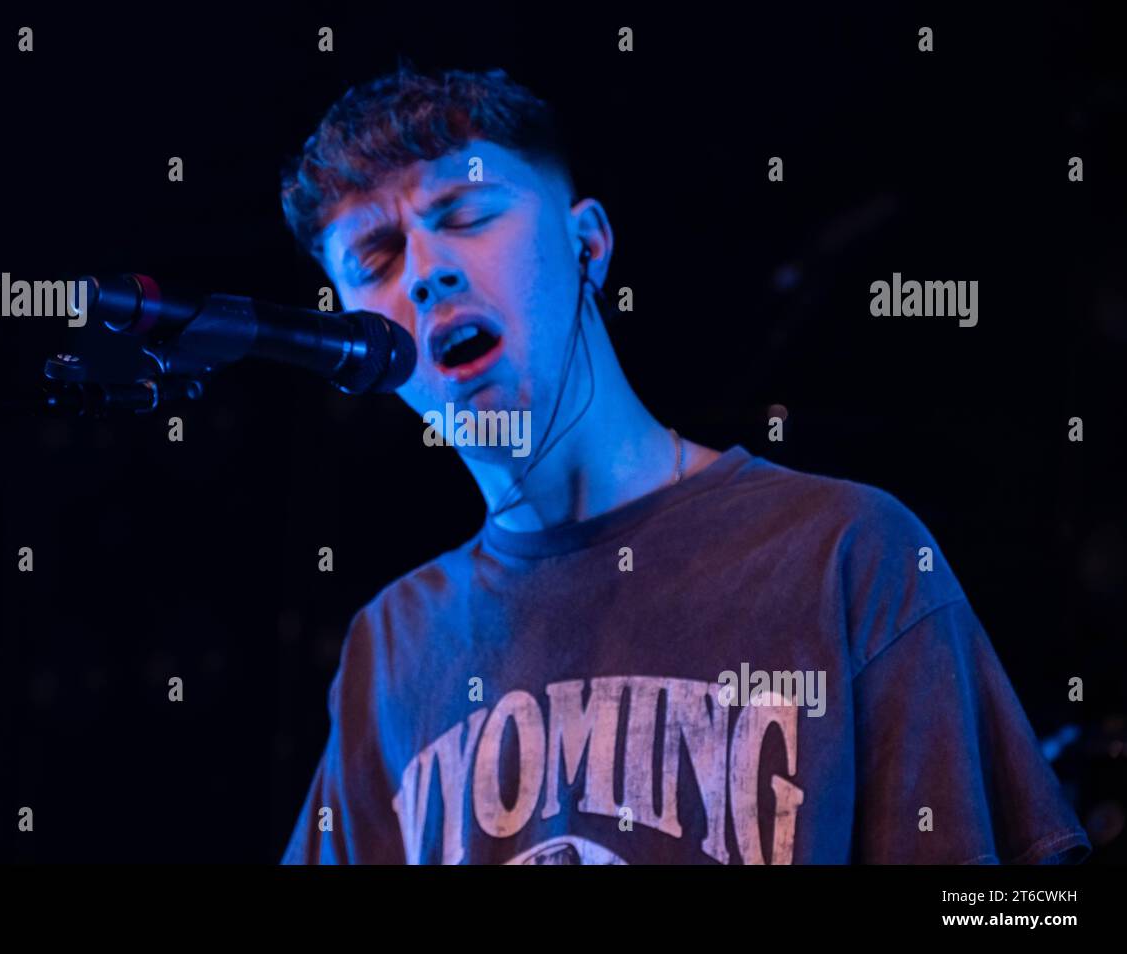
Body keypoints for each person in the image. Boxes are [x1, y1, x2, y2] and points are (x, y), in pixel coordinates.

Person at [276, 63, 1091, 865]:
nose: (425, 273)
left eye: (466, 214)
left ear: (586, 241)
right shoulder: (390, 650)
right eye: (375, 261)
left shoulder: (845, 551)